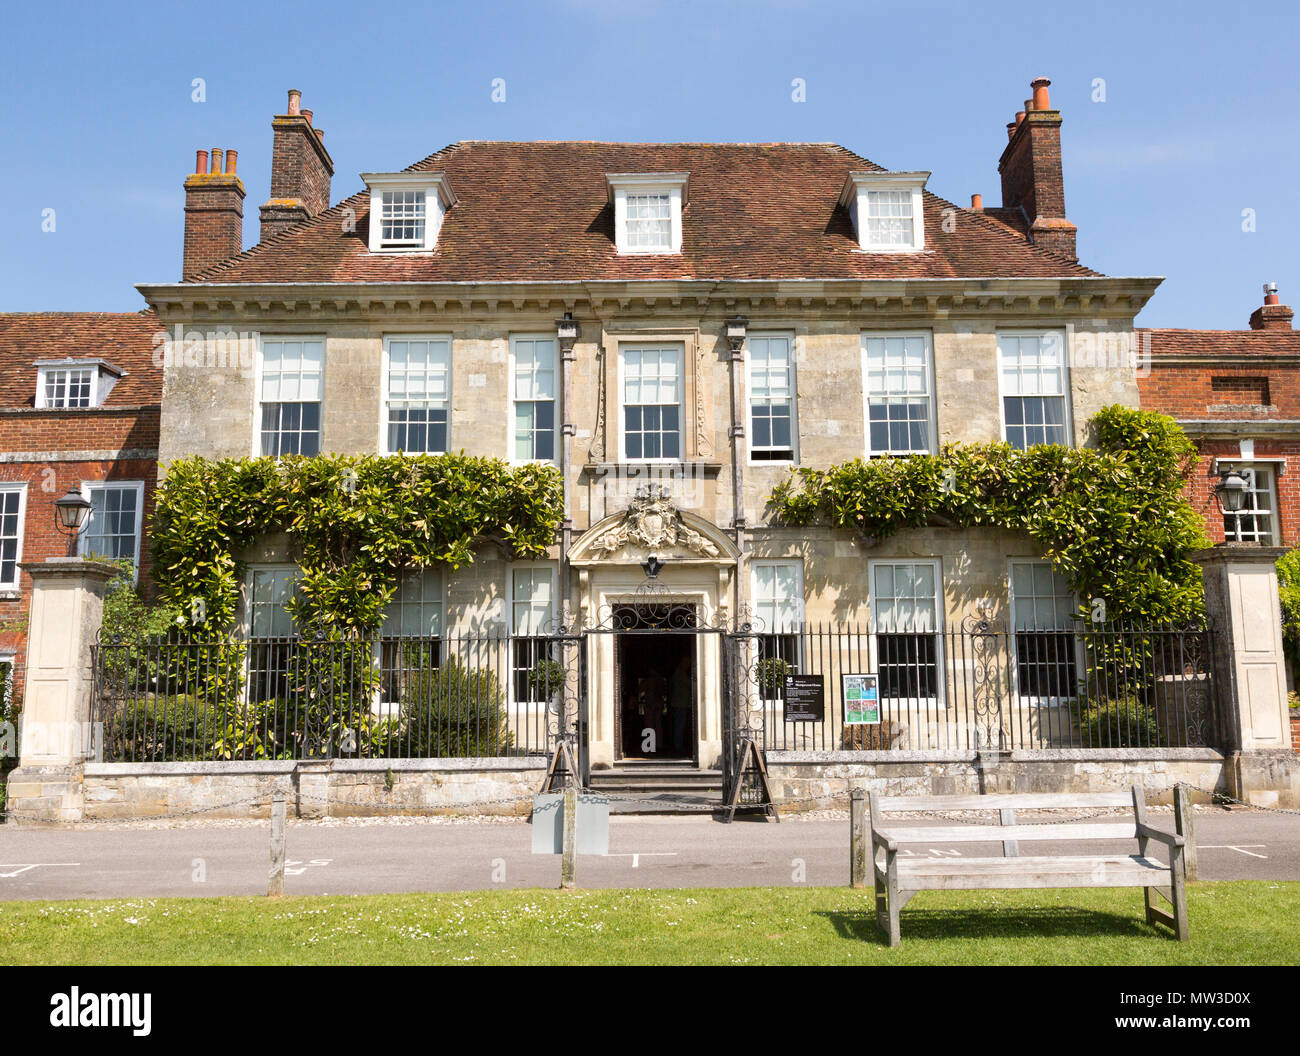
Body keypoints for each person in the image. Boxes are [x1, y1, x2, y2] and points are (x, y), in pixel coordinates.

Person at [668, 653, 692, 757]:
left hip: (681, 703)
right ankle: (678, 747)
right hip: (680, 703)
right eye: (687, 663)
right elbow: (690, 684)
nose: (688, 665)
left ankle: (679, 745)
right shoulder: (680, 673)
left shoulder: (680, 672)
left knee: (680, 725)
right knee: (679, 725)